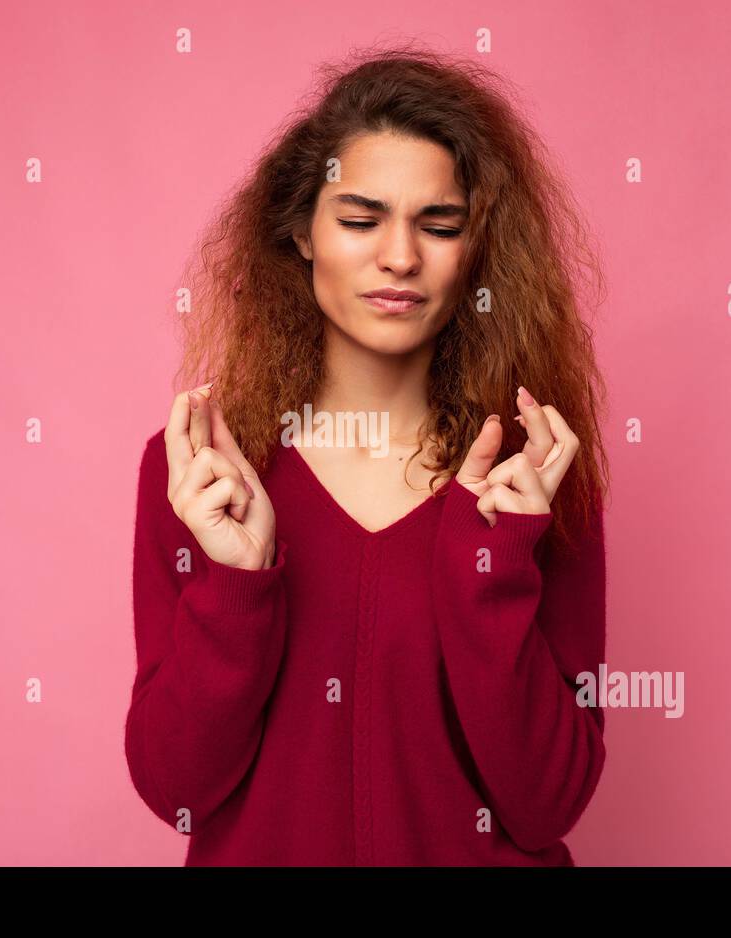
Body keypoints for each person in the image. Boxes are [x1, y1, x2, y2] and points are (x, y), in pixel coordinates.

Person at [125, 45, 611, 866]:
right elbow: (176, 789)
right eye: (360, 220)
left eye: (440, 225)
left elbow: (547, 805)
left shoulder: (534, 475)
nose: (400, 257)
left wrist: (495, 564)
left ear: (477, 250)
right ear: (301, 232)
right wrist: (235, 588)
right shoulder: (204, 473)